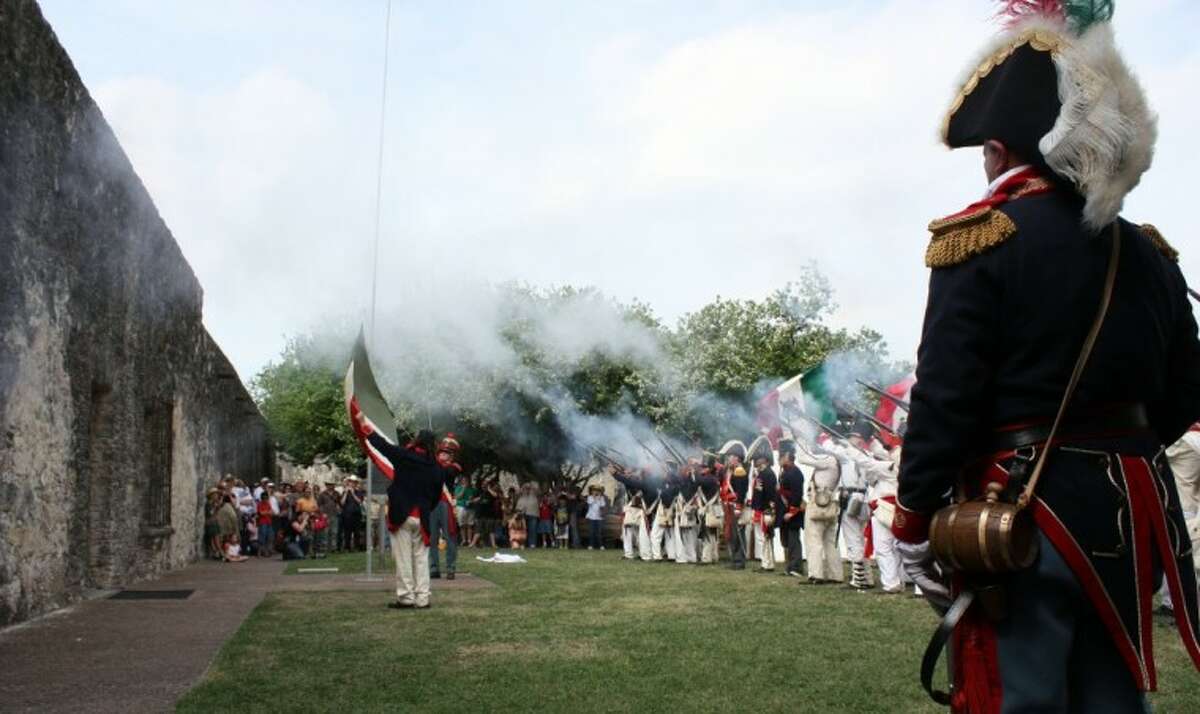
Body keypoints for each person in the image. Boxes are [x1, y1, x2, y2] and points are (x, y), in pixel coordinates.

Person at [892, 5, 1200, 709]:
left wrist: (913, 519)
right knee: (1112, 696)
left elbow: (945, 397)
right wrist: (1117, 449)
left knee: (1020, 695)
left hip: (1026, 510)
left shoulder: (980, 238)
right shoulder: (1151, 256)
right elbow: (1186, 392)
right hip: (1133, 508)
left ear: (999, 151)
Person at [352, 420, 447, 610]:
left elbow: (382, 446)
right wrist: (426, 508)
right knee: (421, 559)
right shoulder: (437, 468)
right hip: (423, 517)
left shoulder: (405, 456)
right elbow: (437, 496)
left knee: (403, 558)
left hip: (402, 514)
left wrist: (365, 426)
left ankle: (406, 598)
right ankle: (423, 598)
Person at [1160, 424, 1200, 615]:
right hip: (1191, 506)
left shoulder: (1185, 441)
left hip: (1181, 506)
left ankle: (1173, 604)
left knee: (1176, 556)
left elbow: (1160, 451)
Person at [794, 442, 840, 584]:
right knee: (830, 543)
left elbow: (802, 458)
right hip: (830, 504)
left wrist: (799, 439)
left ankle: (816, 575)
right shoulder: (837, 461)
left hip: (818, 504)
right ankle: (835, 575)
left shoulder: (828, 459)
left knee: (814, 541)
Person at [429, 435, 461, 580]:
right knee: (432, 537)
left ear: (452, 455)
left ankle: (450, 568)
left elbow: (446, 474)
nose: (442, 454)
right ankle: (434, 568)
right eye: (441, 452)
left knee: (450, 536)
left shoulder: (453, 468)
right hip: (432, 503)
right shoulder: (432, 465)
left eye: (446, 452)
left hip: (446, 504)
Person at [776, 443, 806, 578]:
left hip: (792, 512)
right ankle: (790, 566)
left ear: (788, 456)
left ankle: (796, 567)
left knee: (793, 540)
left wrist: (791, 512)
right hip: (784, 511)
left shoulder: (795, 472)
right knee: (786, 541)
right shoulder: (785, 472)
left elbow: (797, 494)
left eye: (781, 456)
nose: (779, 459)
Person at [749, 446, 779, 573]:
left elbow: (771, 494)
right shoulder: (763, 473)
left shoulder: (768, 474)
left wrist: (769, 510)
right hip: (760, 508)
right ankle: (766, 562)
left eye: (758, 459)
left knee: (765, 536)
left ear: (765, 460)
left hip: (765, 509)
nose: (756, 461)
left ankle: (767, 564)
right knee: (763, 536)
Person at [339, 477, 364, 552]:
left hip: (356, 514)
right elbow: (342, 502)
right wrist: (346, 493)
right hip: (347, 514)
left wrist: (353, 493)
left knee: (357, 531)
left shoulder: (358, 492)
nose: (352, 484)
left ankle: (356, 547)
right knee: (347, 532)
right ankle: (347, 547)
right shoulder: (345, 492)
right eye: (351, 482)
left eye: (354, 482)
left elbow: (359, 501)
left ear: (356, 484)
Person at [317, 481, 341, 555]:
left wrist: (338, 508)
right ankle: (325, 547)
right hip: (326, 515)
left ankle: (333, 548)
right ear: (326, 485)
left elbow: (339, 503)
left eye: (332, 484)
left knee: (334, 532)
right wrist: (322, 513)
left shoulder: (337, 493)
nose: (330, 486)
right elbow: (319, 505)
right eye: (329, 485)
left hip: (335, 514)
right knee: (325, 532)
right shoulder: (322, 494)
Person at [454, 475, 476, 548]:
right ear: (461, 481)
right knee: (462, 524)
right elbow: (458, 497)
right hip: (461, 507)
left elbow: (475, 497)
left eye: (467, 480)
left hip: (470, 507)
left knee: (469, 524)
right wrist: (463, 489)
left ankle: (469, 540)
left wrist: (472, 500)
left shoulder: (472, 489)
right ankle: (464, 540)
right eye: (464, 480)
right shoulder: (458, 488)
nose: (466, 482)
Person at [516, 483, 541, 549]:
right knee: (522, 529)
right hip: (521, 513)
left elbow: (539, 493)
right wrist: (523, 487)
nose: (527, 488)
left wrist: (532, 486)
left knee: (532, 530)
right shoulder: (521, 493)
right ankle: (522, 543)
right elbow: (516, 494)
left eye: (528, 488)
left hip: (533, 513)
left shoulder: (534, 492)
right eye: (526, 488)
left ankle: (532, 544)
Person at [585, 485, 607, 550]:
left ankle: (601, 545)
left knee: (599, 532)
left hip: (599, 517)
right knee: (591, 532)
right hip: (591, 517)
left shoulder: (601, 498)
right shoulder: (589, 497)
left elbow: (603, 505)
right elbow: (590, 503)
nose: (595, 492)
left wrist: (599, 498)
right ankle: (591, 545)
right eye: (594, 490)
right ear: (591, 491)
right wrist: (594, 498)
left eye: (597, 490)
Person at [256, 491, 275, 557]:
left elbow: (272, 512)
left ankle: (267, 551)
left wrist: (266, 512)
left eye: (266, 498)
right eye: (264, 498)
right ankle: (259, 552)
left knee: (270, 537)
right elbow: (261, 513)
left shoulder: (268, 504)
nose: (265, 499)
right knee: (262, 538)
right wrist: (268, 512)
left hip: (269, 522)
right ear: (262, 498)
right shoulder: (259, 504)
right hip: (262, 523)